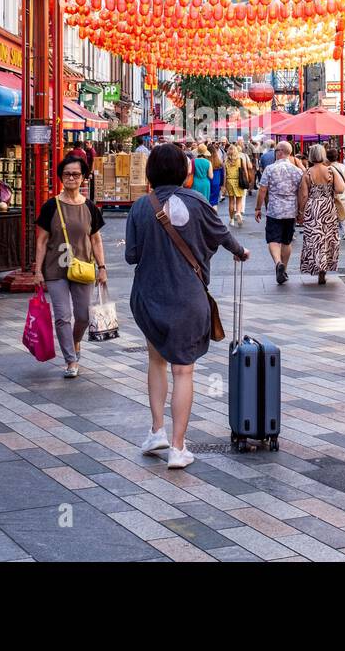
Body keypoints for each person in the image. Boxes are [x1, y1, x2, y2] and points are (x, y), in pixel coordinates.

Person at [125, 144, 250, 468]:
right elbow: (223, 236)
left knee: (156, 362)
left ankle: (157, 431)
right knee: (184, 371)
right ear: (185, 170)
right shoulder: (197, 201)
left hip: (150, 297)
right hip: (188, 298)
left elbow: (131, 256)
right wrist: (240, 251)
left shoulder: (140, 206)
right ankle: (178, 448)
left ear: (151, 171)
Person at [33, 155, 108, 379]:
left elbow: (96, 240)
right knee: (62, 316)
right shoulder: (51, 206)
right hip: (56, 269)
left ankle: (75, 341)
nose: (72, 178)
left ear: (84, 177)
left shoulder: (90, 207)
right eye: (67, 174)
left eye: (76, 174)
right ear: (61, 177)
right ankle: (71, 360)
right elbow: (42, 240)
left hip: (83, 267)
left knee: (83, 316)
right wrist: (37, 271)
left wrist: (102, 267)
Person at [254, 141, 303, 285]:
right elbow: (301, 192)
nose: (275, 152)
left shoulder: (270, 169)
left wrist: (258, 208)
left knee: (273, 239)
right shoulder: (297, 171)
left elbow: (263, 189)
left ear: (280, 152)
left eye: (276, 150)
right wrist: (300, 210)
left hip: (274, 209)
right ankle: (284, 268)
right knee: (286, 241)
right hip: (290, 210)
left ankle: (277, 263)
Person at [298, 143, 345, 284]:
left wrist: (300, 211)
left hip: (313, 207)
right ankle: (324, 270)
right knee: (328, 238)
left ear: (311, 156)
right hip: (328, 207)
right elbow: (341, 189)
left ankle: (318, 267)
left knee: (314, 239)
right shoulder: (330, 171)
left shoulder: (307, 173)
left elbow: (304, 196)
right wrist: (333, 172)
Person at [224, 143, 250, 225]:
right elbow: (245, 170)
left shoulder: (226, 161)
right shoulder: (240, 159)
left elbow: (224, 174)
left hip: (229, 181)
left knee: (231, 201)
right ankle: (238, 212)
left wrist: (223, 185)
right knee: (239, 199)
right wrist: (247, 180)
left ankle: (231, 219)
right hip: (238, 181)